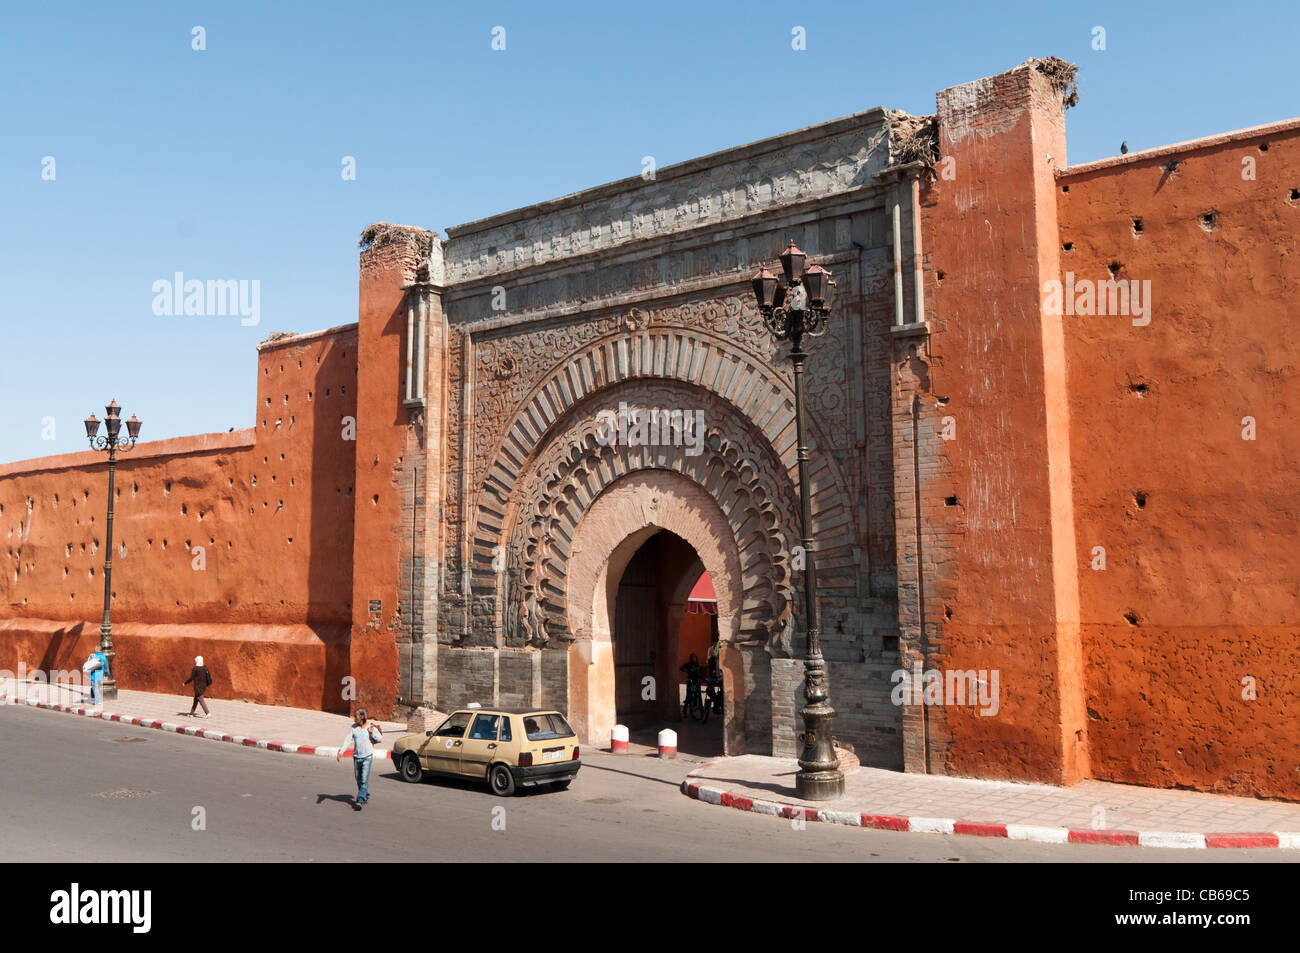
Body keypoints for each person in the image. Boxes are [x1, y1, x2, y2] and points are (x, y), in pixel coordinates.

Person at [336, 708, 383, 811]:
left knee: (364, 779)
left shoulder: (370, 726)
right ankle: (365, 793)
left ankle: (360, 800)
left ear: (362, 717)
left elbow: (380, 739)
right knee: (358, 779)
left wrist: (372, 733)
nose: (354, 717)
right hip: (357, 757)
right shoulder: (354, 727)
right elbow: (348, 740)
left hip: (367, 757)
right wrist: (341, 751)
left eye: (356, 716)